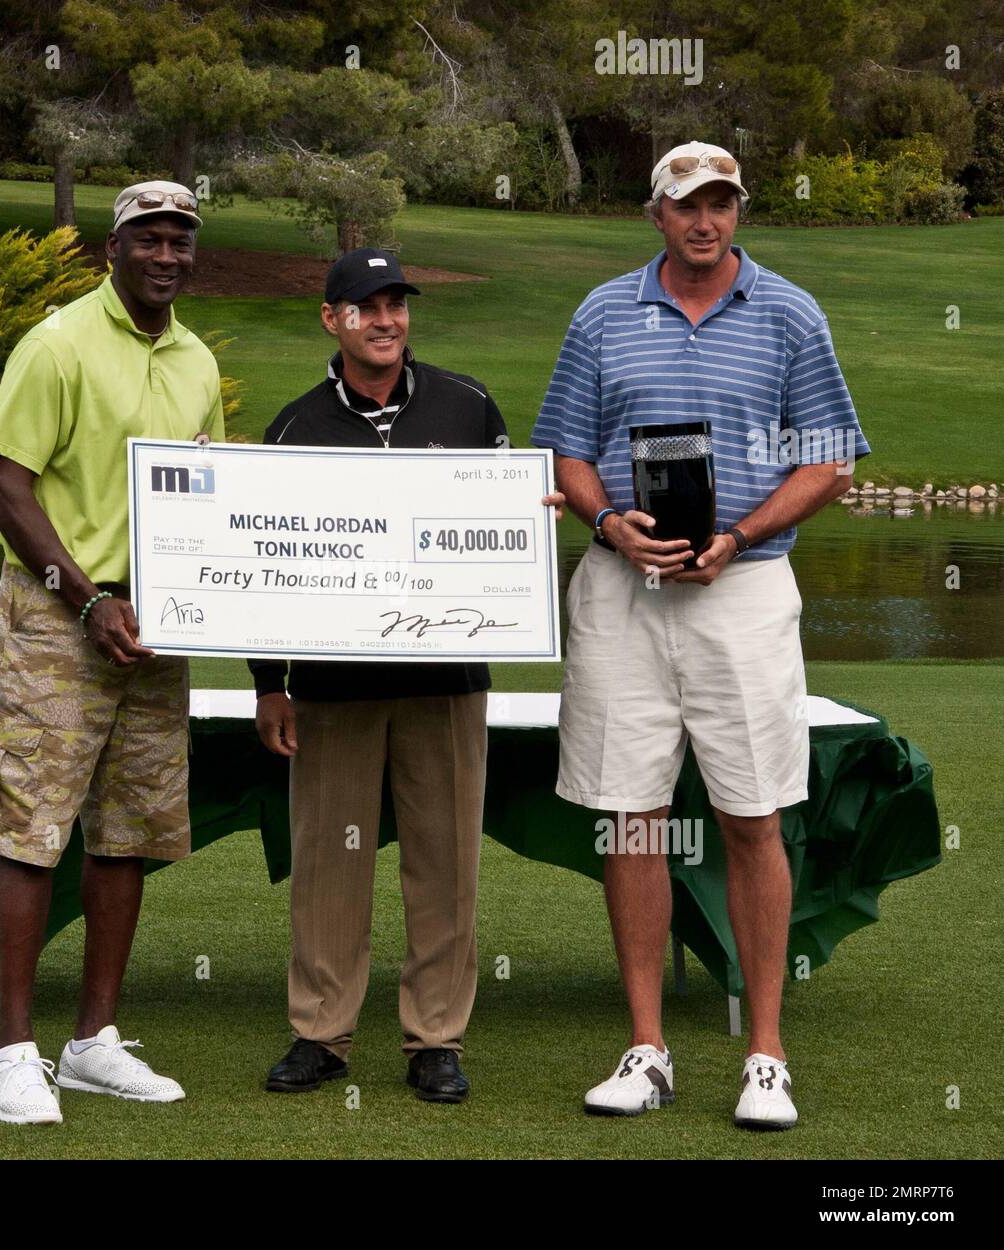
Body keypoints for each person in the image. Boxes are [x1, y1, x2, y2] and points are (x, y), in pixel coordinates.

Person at [532, 141, 869, 1130]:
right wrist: (605, 522)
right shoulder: (602, 311)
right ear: (657, 213)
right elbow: (570, 449)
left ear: (738, 209)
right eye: (687, 204)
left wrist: (740, 533)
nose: (705, 220)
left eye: (721, 202)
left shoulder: (789, 312)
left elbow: (830, 460)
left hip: (745, 585)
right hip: (621, 586)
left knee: (753, 812)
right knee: (630, 813)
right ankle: (647, 1047)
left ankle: (764, 1052)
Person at [251, 248, 562, 1103]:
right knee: (328, 861)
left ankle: (436, 1037)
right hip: (332, 686)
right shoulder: (294, 427)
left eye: (397, 304)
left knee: (444, 858)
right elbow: (259, 566)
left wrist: (531, 526)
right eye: (366, 306)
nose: (386, 319)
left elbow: (510, 527)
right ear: (332, 319)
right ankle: (321, 1032)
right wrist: (266, 683)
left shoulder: (468, 406)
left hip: (447, 676)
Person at [0, 181, 224, 1123]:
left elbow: (207, 495)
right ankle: (14, 1051)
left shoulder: (197, 358)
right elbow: (5, 489)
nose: (167, 255)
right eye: (149, 240)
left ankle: (92, 1043)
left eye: (180, 241)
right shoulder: (57, 344)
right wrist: (88, 602)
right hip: (56, 618)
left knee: (128, 834)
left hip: (157, 628)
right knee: (30, 826)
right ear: (110, 250)